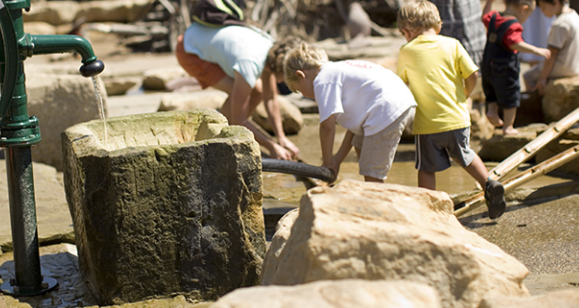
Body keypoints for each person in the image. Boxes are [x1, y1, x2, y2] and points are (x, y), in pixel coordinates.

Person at [396, 0, 507, 219]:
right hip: (457, 118)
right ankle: (488, 183)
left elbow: (399, 83)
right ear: (437, 26)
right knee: (465, 154)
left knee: (426, 167)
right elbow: (473, 74)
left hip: (428, 124)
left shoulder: (407, 51)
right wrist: (465, 93)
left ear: (407, 31)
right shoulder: (453, 44)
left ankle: (428, 207)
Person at [284, 43, 416, 183]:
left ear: (301, 76)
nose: (304, 95)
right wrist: (336, 161)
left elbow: (327, 127)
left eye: (299, 90)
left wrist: (326, 164)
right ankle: (370, 186)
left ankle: (375, 190)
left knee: (372, 173)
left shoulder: (322, 80)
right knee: (361, 145)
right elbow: (353, 130)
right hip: (401, 101)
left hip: (385, 109)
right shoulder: (339, 71)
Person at [175, 13, 300, 160]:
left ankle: (225, 135)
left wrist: (281, 138)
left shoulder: (271, 49)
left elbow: (270, 98)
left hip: (198, 36)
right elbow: (239, 119)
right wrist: (272, 146)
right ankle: (217, 140)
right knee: (244, 102)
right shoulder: (250, 63)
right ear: (281, 70)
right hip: (188, 50)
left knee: (257, 91)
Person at [480, 0, 552, 134]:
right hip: (504, 68)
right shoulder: (513, 25)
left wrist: (490, 0)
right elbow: (514, 43)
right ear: (523, 9)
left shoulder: (495, 18)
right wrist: (536, 50)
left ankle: (492, 111)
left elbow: (484, 16)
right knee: (511, 95)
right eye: (528, 15)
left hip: (487, 65)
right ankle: (508, 126)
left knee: (491, 90)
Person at [524, 0, 579, 94]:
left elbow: (552, 54)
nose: (542, 11)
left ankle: (536, 99)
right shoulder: (574, 15)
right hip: (575, 66)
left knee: (527, 76)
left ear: (555, 2)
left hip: (562, 68)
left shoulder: (560, 24)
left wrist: (542, 78)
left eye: (544, 7)